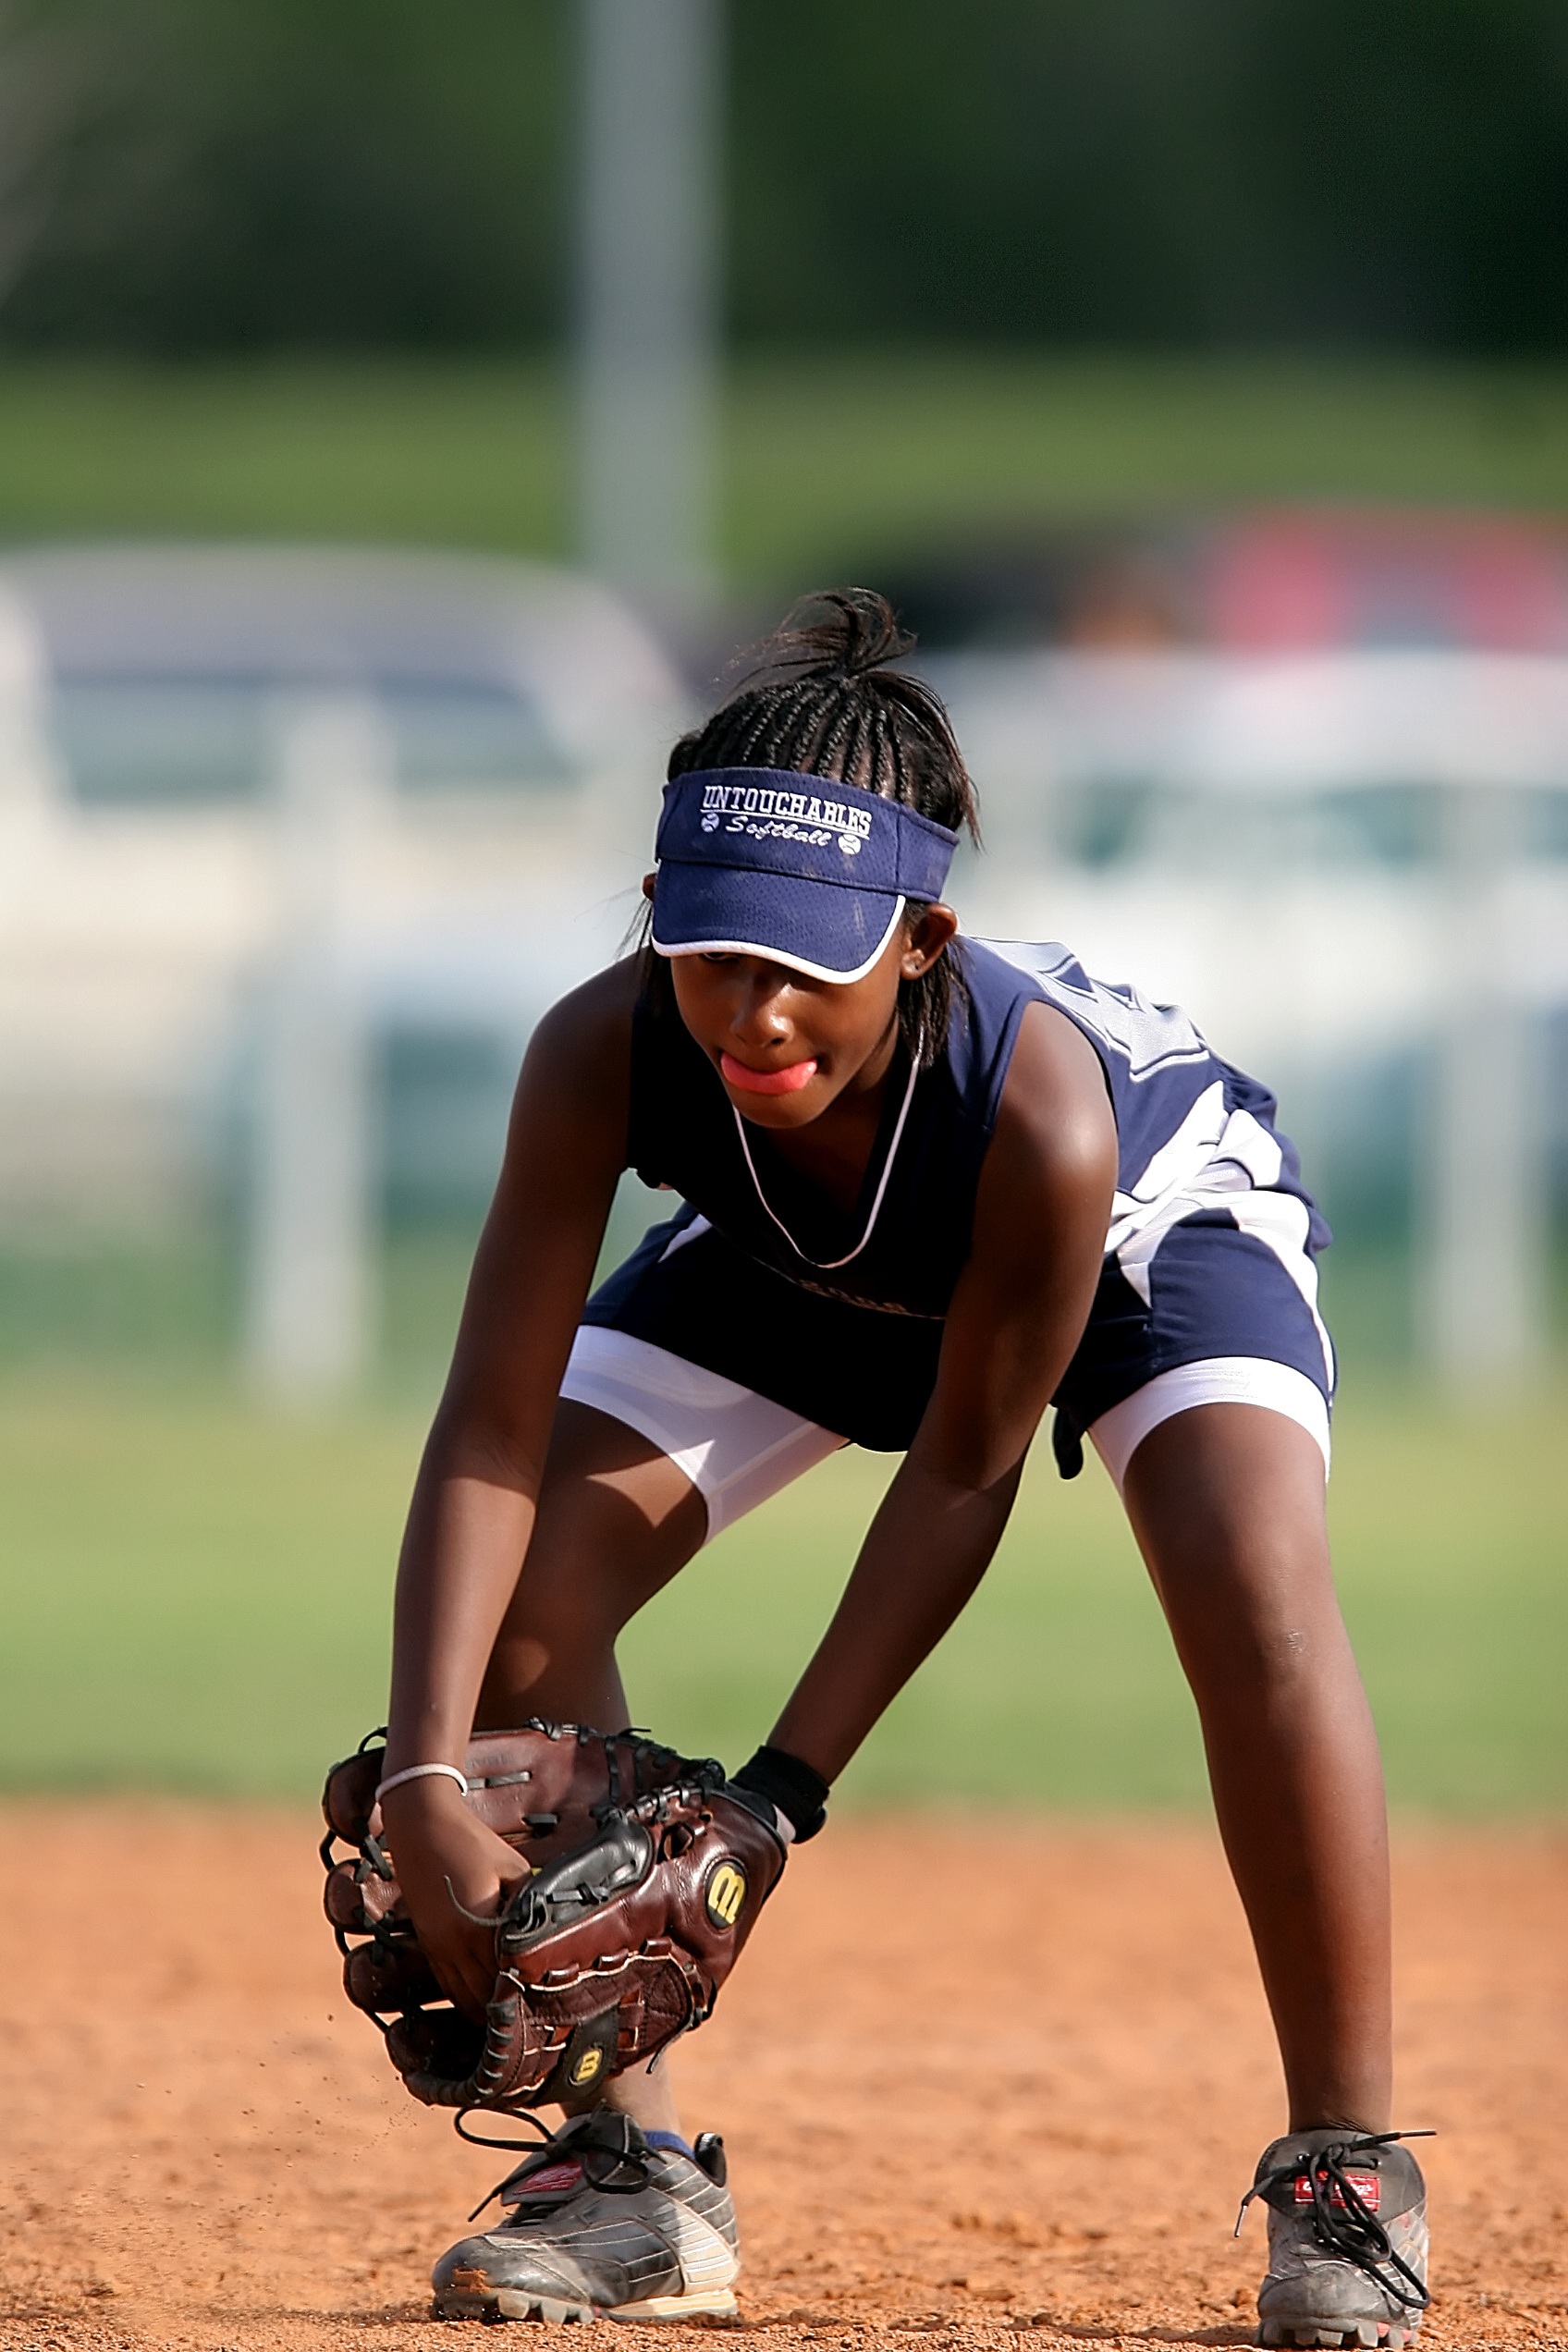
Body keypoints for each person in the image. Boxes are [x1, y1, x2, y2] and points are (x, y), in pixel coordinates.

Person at [378, 590, 1429, 2345]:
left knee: (1253, 1592)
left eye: (815, 956)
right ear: (657, 918)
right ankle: (636, 2189)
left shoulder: (1042, 1108)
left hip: (1132, 1228)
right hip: (812, 1246)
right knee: (535, 1576)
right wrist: (426, 1775)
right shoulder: (611, 1046)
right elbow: (489, 1423)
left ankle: (1346, 2168)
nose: (758, 1006)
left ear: (923, 934)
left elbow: (961, 1469)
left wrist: (773, 1801)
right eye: (717, 948)